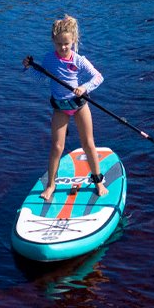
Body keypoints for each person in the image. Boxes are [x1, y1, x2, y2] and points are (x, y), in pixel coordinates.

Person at [23, 15, 108, 201]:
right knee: (57, 147)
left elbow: (98, 77)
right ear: (53, 41)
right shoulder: (49, 59)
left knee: (88, 144)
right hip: (60, 108)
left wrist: (84, 87)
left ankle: (98, 181)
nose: (63, 48)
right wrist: (30, 68)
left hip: (79, 105)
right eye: (59, 44)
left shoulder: (78, 60)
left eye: (67, 44)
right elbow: (40, 78)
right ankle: (51, 185)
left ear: (73, 41)